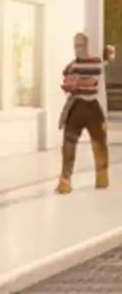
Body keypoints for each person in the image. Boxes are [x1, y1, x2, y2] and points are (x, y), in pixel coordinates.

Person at [56, 33, 116, 194]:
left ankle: (102, 177)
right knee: (68, 143)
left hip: (92, 107)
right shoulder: (72, 65)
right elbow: (67, 84)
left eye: (80, 45)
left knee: (100, 143)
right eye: (75, 45)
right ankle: (65, 180)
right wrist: (77, 83)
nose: (78, 49)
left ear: (86, 45)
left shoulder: (93, 62)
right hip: (76, 106)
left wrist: (77, 82)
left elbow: (93, 78)